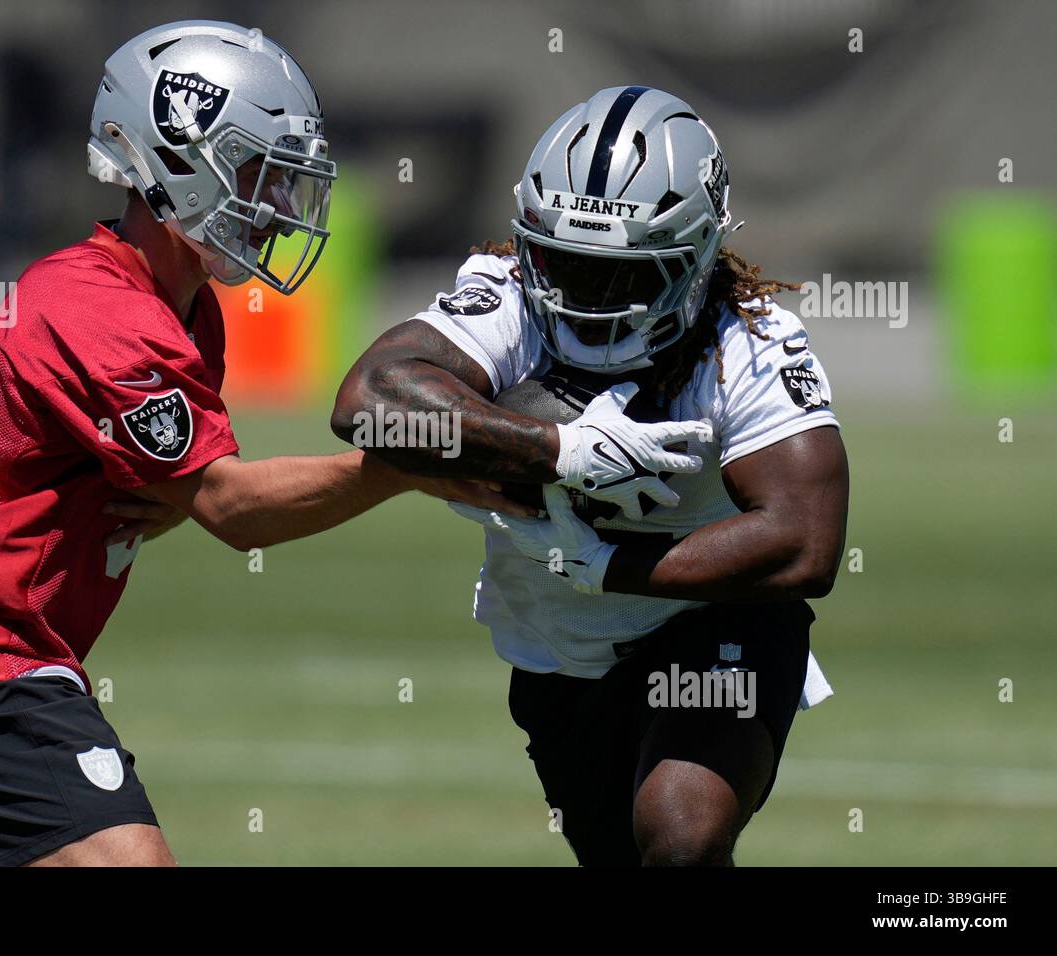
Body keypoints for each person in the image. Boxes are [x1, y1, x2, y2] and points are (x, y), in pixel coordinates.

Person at [0, 19, 528, 868]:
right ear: (176, 164)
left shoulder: (183, 306)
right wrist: (413, 461)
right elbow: (232, 509)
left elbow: (159, 492)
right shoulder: (106, 313)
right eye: (256, 175)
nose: (274, 207)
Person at [332, 86, 849, 866]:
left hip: (713, 622)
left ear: (699, 254)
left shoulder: (749, 341)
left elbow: (805, 545)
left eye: (623, 274)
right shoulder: (503, 295)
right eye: (567, 263)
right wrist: (557, 451)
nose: (587, 299)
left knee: (680, 838)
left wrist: (616, 568)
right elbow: (368, 404)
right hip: (556, 646)